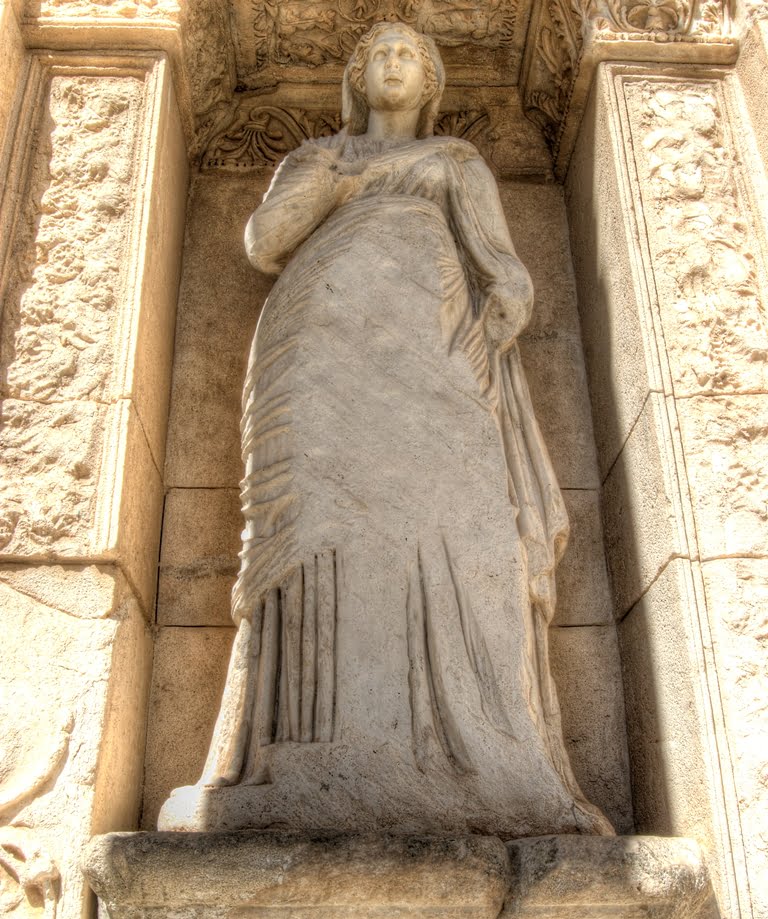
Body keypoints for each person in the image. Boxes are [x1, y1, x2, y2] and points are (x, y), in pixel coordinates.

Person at [159, 21, 613, 837]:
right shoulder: (319, 157)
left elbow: (501, 261)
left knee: (462, 525)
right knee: (319, 531)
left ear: (431, 78)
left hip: (434, 345)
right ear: (358, 78)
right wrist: (326, 185)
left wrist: (509, 298)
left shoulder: (455, 162)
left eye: (408, 54)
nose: (393, 64)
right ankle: (302, 752)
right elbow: (264, 243)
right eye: (378, 55)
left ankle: (483, 754)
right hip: (318, 351)